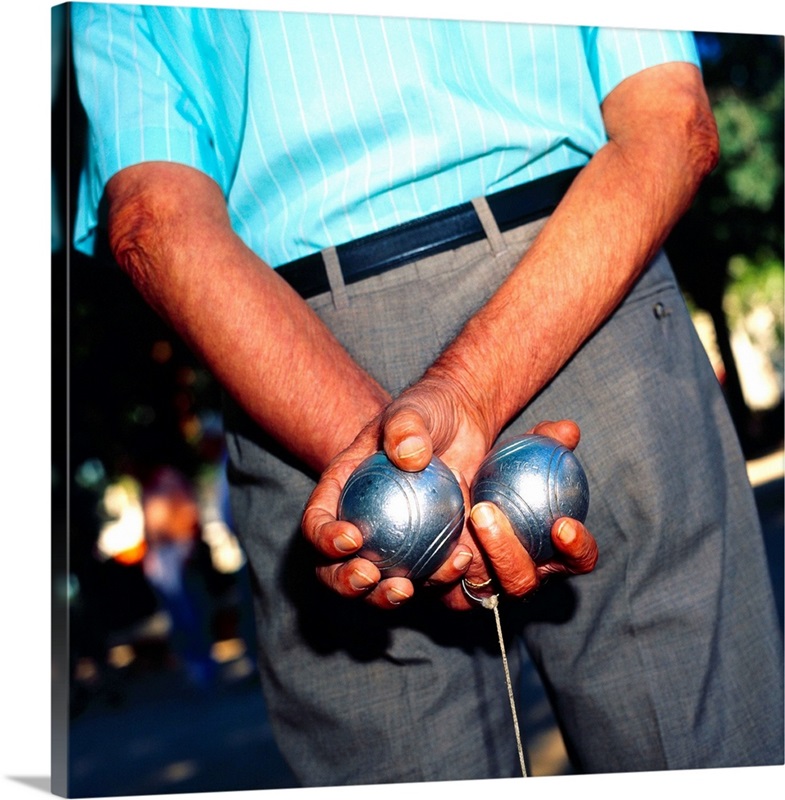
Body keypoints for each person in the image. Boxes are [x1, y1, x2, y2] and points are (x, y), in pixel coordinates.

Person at [71, 4, 783, 785]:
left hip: (291, 371)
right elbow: (671, 122)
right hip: (585, 311)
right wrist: (449, 414)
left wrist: (398, 474)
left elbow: (151, 219)